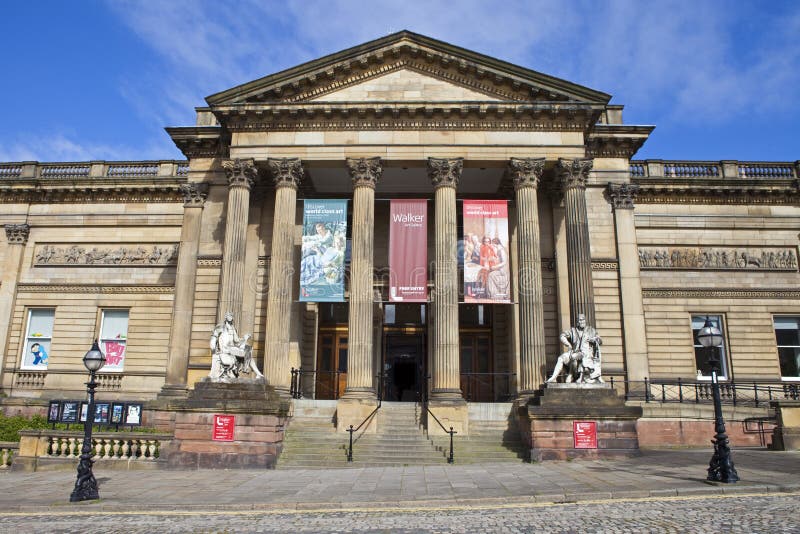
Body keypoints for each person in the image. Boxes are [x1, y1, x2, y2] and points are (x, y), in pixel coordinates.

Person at [547, 314, 603, 383]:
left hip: (585, 354)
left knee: (574, 357)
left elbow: (600, 341)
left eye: (582, 320)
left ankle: (571, 375)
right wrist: (568, 344)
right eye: (579, 320)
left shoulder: (591, 330)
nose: (581, 321)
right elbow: (562, 336)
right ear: (577, 321)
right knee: (561, 358)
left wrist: (594, 340)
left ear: (585, 320)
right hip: (574, 352)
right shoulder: (573, 330)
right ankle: (553, 378)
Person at [209, 312, 263, 382]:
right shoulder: (220, 327)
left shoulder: (233, 328)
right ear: (226, 317)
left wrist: (244, 338)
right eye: (229, 315)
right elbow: (214, 337)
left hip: (232, 348)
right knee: (246, 353)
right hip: (226, 349)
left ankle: (258, 373)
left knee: (248, 350)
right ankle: (247, 369)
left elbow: (236, 341)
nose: (231, 317)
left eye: (232, 316)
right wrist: (213, 346)